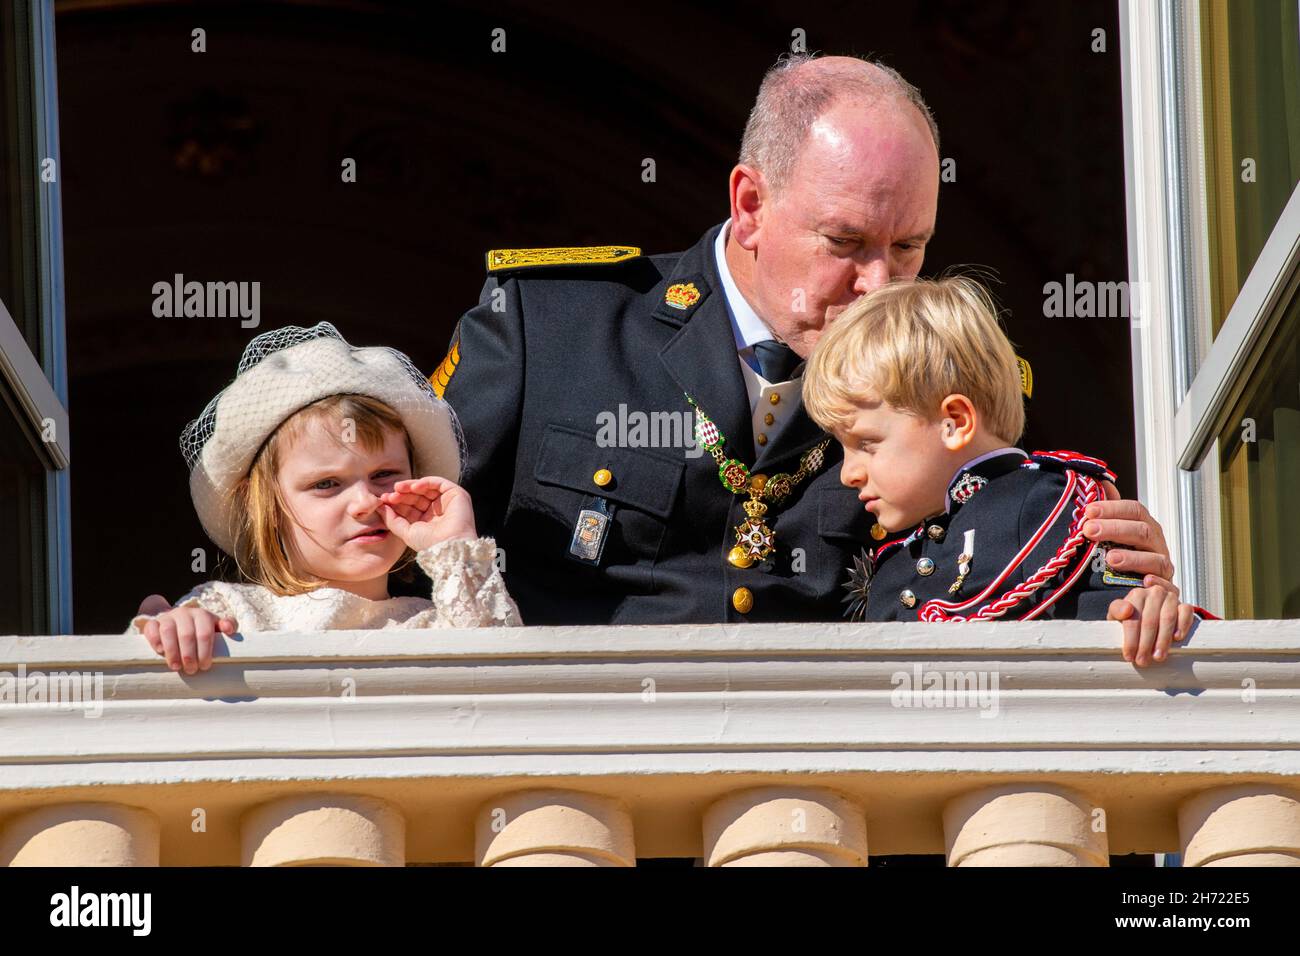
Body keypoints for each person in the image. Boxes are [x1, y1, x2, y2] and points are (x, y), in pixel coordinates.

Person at [428, 53, 1179, 626]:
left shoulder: (954, 376)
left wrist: (1113, 588)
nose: (881, 285)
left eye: (910, 247)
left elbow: (1011, 576)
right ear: (750, 204)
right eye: (847, 241)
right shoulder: (552, 326)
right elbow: (375, 543)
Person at [802, 275, 1212, 665]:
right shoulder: (895, 565)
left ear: (956, 422)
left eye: (866, 445)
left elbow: (1115, 623)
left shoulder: (1043, 503)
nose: (848, 474)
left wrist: (1141, 610)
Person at [128, 322, 521, 674]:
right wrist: (172, 631)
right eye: (327, 484)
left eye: (384, 475)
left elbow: (504, 678)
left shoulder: (434, 624)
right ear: (265, 508)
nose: (366, 502)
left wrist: (454, 547)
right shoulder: (228, 613)